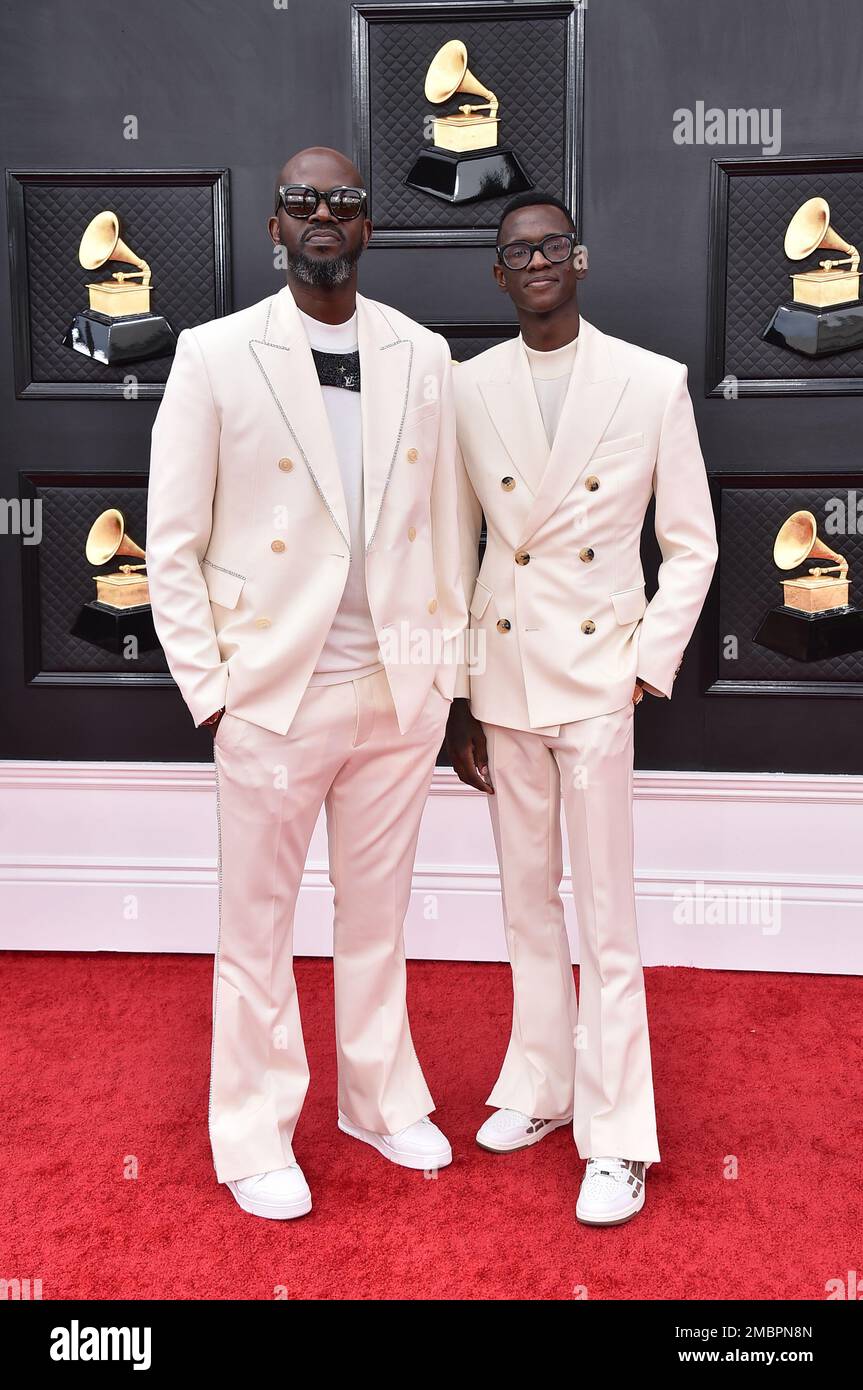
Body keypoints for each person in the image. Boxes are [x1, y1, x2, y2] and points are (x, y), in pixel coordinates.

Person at [147, 146, 466, 1220]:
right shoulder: (213, 354)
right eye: (300, 202)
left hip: (396, 690)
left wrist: (441, 680)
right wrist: (216, 691)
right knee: (257, 927)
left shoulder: (421, 355)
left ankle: (376, 1100)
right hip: (272, 693)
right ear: (273, 228)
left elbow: (450, 529)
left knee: (377, 916)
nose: (321, 214)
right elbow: (171, 542)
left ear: (368, 226)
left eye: (342, 201)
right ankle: (250, 1128)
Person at [447, 190, 718, 1226]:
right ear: (499, 274)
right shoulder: (465, 391)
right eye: (517, 251)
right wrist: (458, 693)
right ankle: (542, 1088)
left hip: (601, 679)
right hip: (506, 679)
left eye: (551, 244)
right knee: (525, 903)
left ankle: (618, 1138)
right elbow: (459, 545)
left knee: (605, 917)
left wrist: (646, 665)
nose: (536, 261)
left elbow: (688, 542)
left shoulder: (649, 384)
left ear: (580, 257)